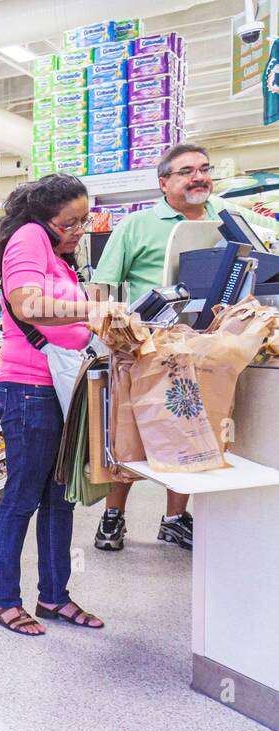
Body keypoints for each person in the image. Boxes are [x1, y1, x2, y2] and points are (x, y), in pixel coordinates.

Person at [89, 143, 273, 552]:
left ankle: (174, 519)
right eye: (187, 171)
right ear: (163, 182)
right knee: (129, 433)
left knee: (195, 433)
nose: (199, 178)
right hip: (145, 349)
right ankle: (113, 516)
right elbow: (102, 286)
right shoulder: (136, 225)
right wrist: (109, 333)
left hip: (207, 348)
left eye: (204, 169)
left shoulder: (230, 217)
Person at [0, 174, 114, 637]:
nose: (79, 229)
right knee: (22, 498)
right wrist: (91, 312)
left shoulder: (59, 254)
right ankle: (2, 601)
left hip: (64, 386)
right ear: (45, 217)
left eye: (83, 220)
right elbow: (25, 304)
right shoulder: (28, 238)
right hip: (29, 389)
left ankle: (54, 596)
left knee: (60, 498)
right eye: (71, 222)